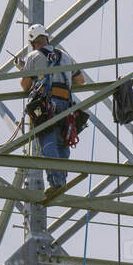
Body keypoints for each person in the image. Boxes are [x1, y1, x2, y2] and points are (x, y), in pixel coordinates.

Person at [20, 23, 86, 190]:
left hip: (47, 105)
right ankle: (62, 178)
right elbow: (80, 81)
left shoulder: (33, 56)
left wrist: (25, 69)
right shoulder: (64, 56)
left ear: (33, 43)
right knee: (63, 139)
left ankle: (56, 182)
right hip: (66, 104)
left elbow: (25, 85)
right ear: (47, 39)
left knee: (47, 139)